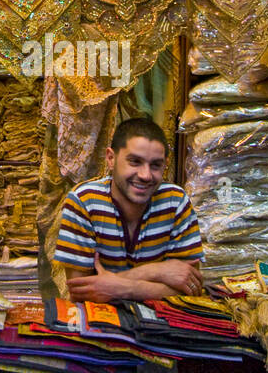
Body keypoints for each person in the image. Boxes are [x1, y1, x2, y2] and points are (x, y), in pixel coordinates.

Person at [56, 118, 205, 302]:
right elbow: (81, 291)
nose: (145, 175)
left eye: (156, 165)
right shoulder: (84, 201)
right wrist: (157, 271)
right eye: (135, 162)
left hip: (160, 323)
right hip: (98, 322)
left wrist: (121, 287)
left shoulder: (176, 202)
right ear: (111, 159)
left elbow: (190, 288)